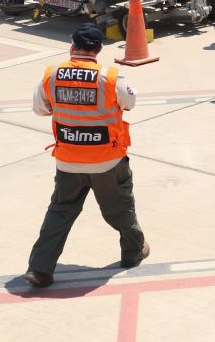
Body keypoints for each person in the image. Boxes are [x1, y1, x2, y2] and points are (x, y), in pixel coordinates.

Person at [24, 25, 148, 288]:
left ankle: (40, 269)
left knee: (60, 212)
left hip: (67, 159)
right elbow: (129, 104)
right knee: (119, 209)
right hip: (107, 160)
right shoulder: (112, 77)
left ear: (72, 47)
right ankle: (133, 250)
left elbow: (39, 108)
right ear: (99, 49)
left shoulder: (52, 74)